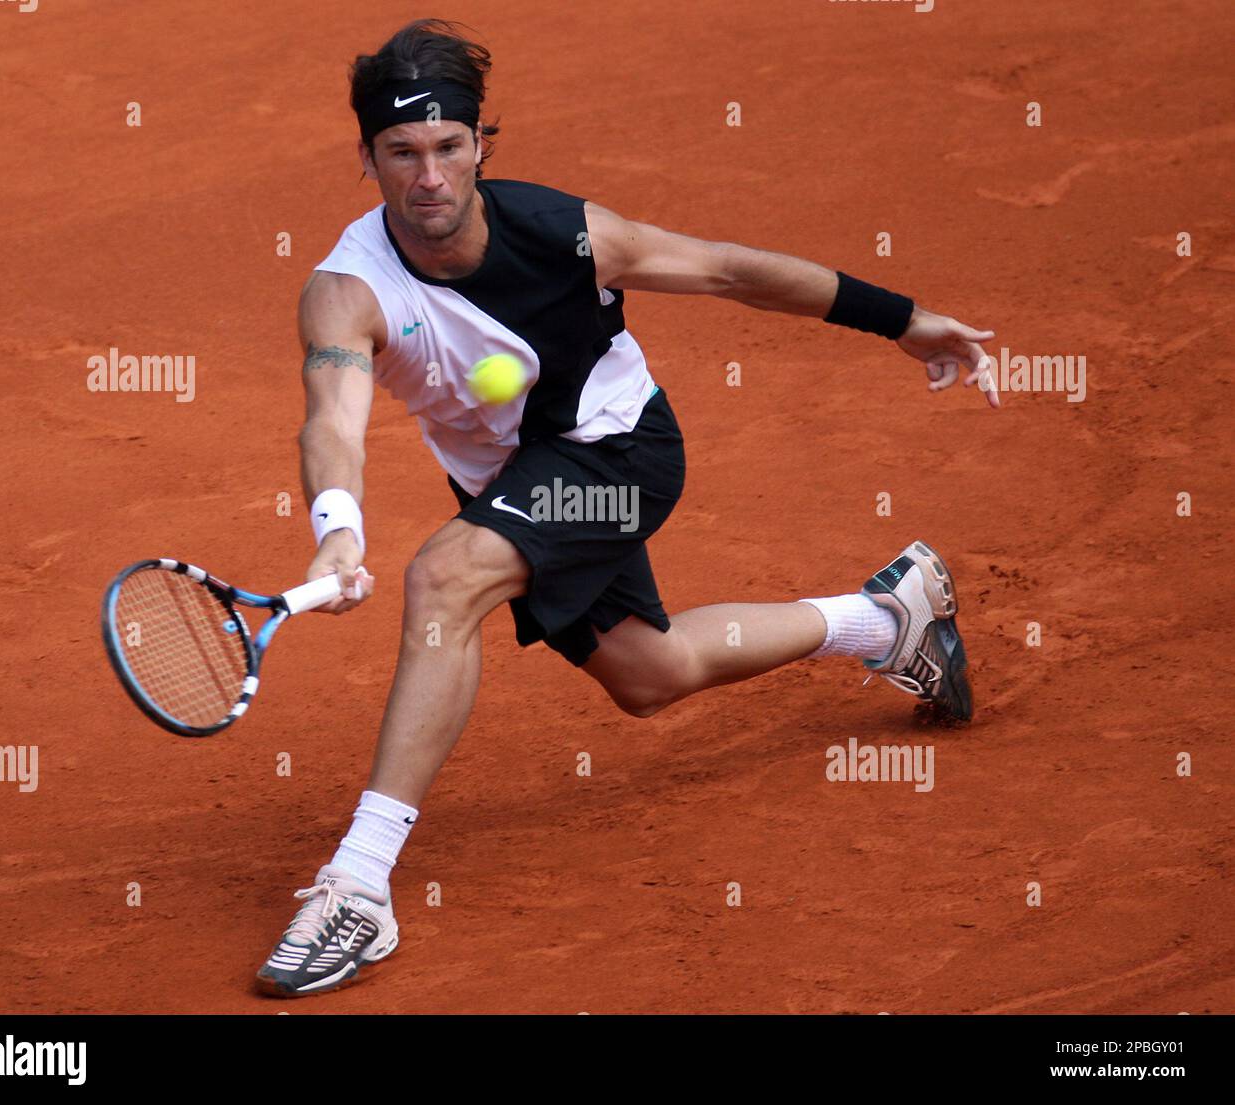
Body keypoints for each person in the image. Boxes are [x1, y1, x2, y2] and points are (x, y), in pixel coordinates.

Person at [256, 19, 997, 998]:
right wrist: (335, 527)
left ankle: (358, 883)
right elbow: (333, 417)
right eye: (401, 152)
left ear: (481, 144)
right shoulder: (345, 290)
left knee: (446, 577)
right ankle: (887, 617)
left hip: (617, 454)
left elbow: (729, 269)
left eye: (447, 147)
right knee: (651, 673)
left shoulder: (567, 234)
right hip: (511, 483)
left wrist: (900, 319)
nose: (427, 176)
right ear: (366, 157)